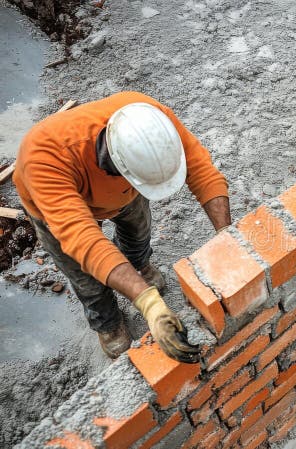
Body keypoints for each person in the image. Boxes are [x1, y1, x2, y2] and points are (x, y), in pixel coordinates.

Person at [13, 92, 231, 362]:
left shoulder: (150, 119)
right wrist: (149, 304)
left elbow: (202, 171)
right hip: (55, 208)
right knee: (87, 277)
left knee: (138, 235)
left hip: (124, 192)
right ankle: (108, 323)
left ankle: (138, 267)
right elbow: (86, 241)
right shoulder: (44, 160)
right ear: (117, 163)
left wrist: (227, 236)